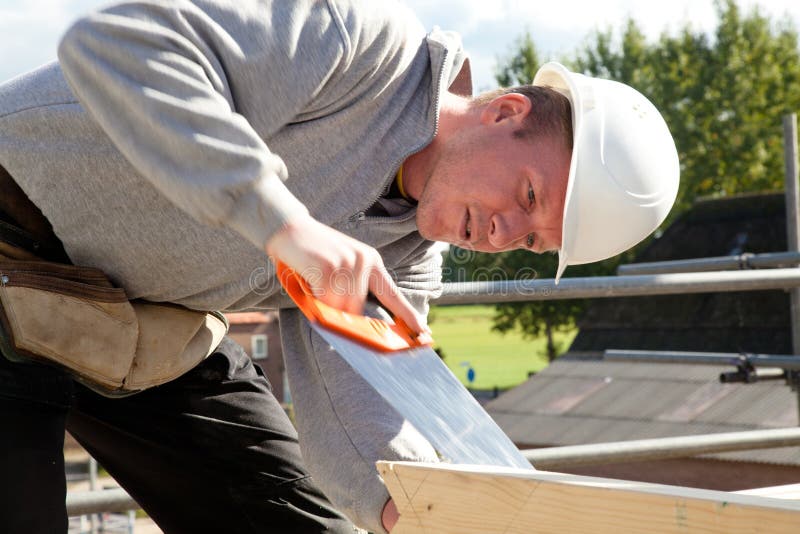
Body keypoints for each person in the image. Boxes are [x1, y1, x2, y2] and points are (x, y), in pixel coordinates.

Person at [0, 1, 679, 533]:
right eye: (529, 196)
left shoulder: (406, 260)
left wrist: (426, 514)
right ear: (505, 112)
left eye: (531, 241)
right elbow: (113, 46)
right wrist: (288, 226)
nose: (505, 232)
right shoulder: (356, 41)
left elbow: (360, 419)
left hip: (130, 327)